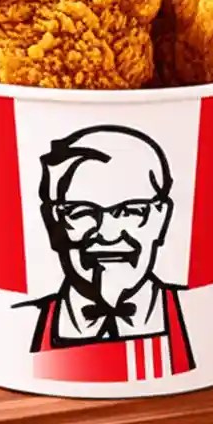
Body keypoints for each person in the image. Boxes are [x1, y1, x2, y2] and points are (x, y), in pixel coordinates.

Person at [19, 125, 195, 382]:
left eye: (132, 210)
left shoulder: (203, 314)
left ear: (161, 218)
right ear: (53, 223)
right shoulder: (17, 324)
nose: (109, 234)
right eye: (81, 212)